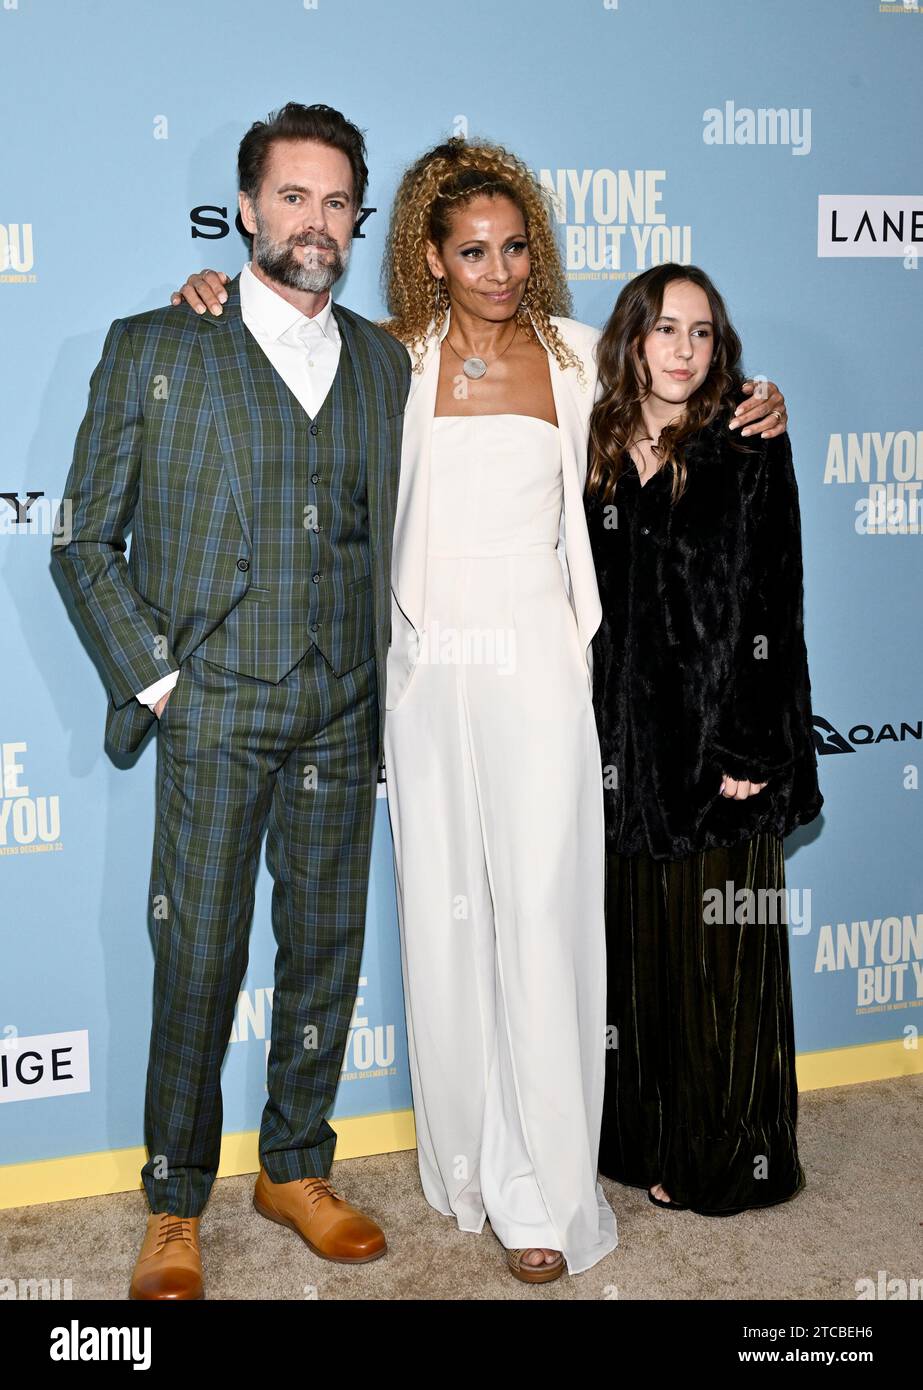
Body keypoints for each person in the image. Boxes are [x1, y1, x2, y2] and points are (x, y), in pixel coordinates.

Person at [175, 146, 789, 1283]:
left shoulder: (572, 354)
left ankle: (544, 1187)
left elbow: (673, 392)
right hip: (420, 678)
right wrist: (204, 295)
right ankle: (467, 1163)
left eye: (514, 247)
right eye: (473, 251)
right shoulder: (385, 358)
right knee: (445, 926)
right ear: (428, 258)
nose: (499, 270)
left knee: (544, 921)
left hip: (539, 672)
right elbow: (275, 356)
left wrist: (750, 397)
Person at [51, 103, 410, 1300]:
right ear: (247, 208)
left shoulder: (384, 361)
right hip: (212, 706)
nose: (316, 221)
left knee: (323, 951)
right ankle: (173, 1197)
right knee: (197, 955)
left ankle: (295, 1165)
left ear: (357, 218)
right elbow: (81, 540)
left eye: (336, 201)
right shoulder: (162, 342)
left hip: (341, 704)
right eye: (292, 197)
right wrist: (159, 676)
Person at [584, 263, 822, 1216]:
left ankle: (732, 1158)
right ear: (632, 338)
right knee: (638, 963)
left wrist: (749, 752)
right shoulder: (593, 443)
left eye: (703, 334)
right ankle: (644, 1140)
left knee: (724, 971)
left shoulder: (747, 444)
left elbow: (774, 597)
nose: (684, 350)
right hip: (623, 756)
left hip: (723, 755)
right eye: (665, 329)